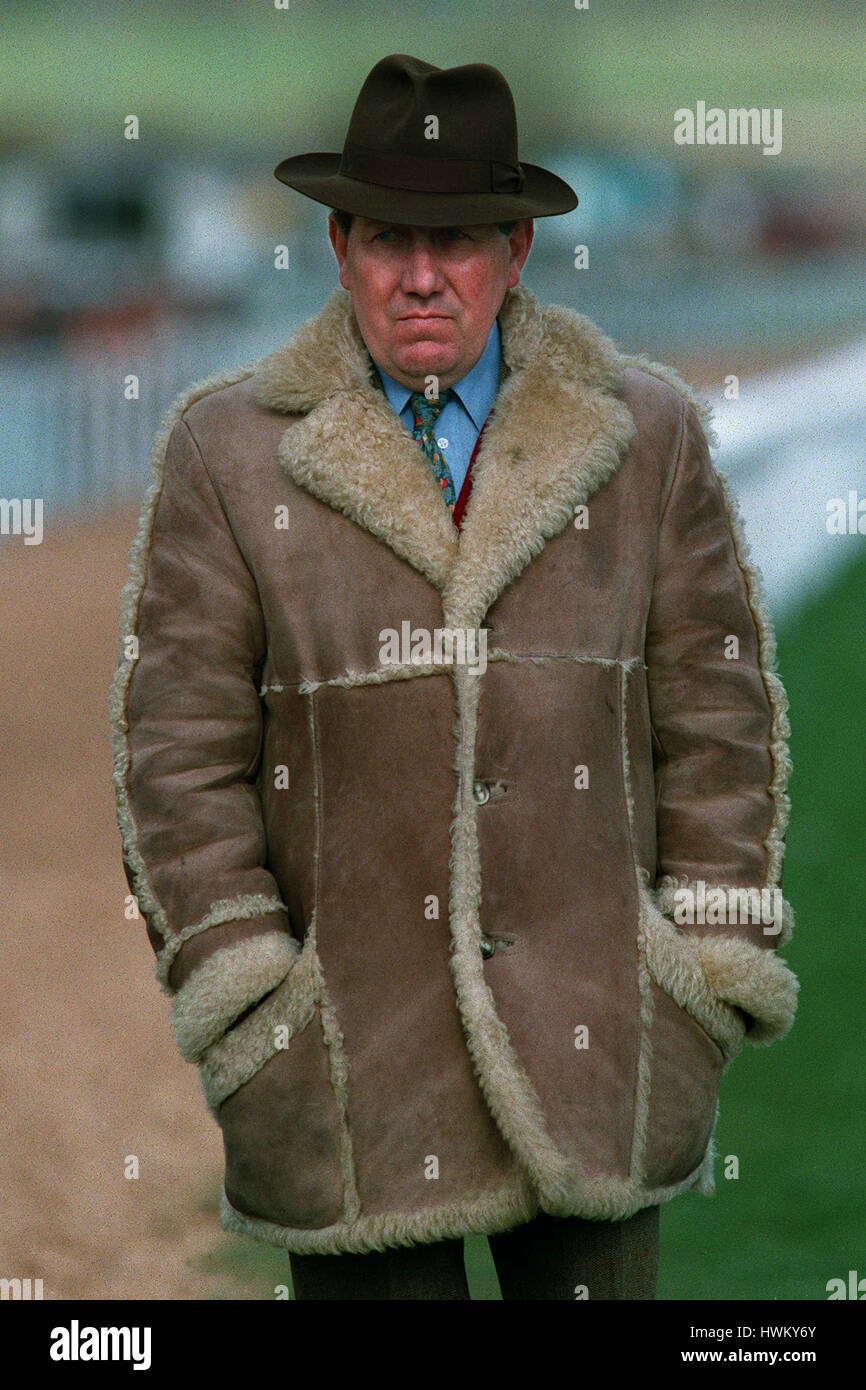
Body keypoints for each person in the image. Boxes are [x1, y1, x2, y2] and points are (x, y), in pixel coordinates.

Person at [109, 53, 798, 1301]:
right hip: (344, 1074)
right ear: (336, 242)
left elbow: (717, 715)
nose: (422, 275)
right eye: (388, 238)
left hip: (600, 1062)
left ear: (518, 249)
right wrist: (246, 993)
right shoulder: (226, 454)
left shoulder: (645, 438)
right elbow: (174, 752)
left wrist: (706, 960)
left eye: (461, 239)